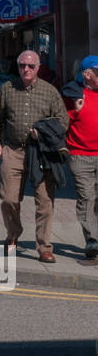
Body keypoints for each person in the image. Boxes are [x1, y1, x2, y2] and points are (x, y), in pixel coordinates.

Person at [0, 49, 69, 263]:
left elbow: (63, 121)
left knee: (44, 201)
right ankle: (13, 234)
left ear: (38, 67)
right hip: (13, 150)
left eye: (31, 66)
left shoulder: (50, 91)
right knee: (8, 199)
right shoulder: (7, 89)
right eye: (22, 65)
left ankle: (44, 246)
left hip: (41, 153)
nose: (26, 69)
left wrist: (43, 132)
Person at [64, 55, 98, 264]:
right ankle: (92, 241)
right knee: (87, 198)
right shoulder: (74, 94)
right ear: (87, 74)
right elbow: (62, 123)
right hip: (80, 156)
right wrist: (75, 110)